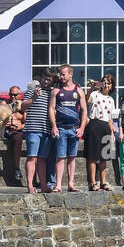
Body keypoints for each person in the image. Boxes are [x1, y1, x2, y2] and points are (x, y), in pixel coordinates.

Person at [49, 65, 87, 193]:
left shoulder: (78, 91)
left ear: (71, 74)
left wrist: (82, 128)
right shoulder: (56, 90)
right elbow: (51, 109)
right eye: (60, 74)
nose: (61, 76)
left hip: (74, 129)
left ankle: (71, 183)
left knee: (72, 157)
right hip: (61, 129)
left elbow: (84, 110)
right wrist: (54, 126)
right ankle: (58, 184)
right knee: (60, 157)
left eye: (63, 74)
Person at [86, 75, 116, 191]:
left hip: (105, 126)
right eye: (104, 82)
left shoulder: (111, 100)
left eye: (109, 83)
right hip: (94, 124)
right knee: (93, 156)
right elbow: (85, 100)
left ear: (111, 86)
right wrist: (91, 89)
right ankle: (93, 182)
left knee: (105, 156)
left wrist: (112, 132)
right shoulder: (95, 94)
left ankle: (103, 182)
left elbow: (110, 118)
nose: (106, 85)